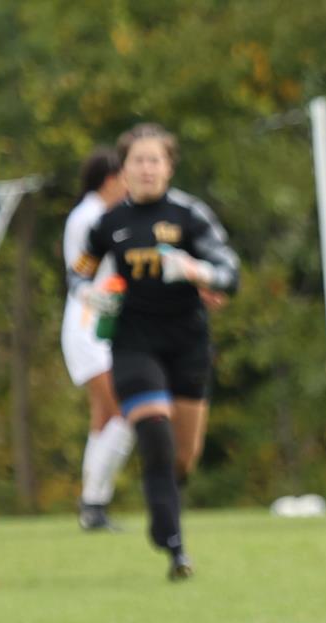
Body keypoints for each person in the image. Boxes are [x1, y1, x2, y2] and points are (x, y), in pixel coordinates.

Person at [71, 123, 239, 579]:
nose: (146, 169)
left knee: (183, 456)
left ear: (169, 166)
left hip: (187, 343)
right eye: (137, 161)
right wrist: (91, 294)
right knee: (154, 435)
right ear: (122, 170)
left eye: (154, 160)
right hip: (132, 343)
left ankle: (167, 508)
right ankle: (174, 545)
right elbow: (80, 272)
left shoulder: (189, 215)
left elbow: (229, 272)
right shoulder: (107, 224)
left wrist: (199, 272)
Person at [62, 147, 134, 531]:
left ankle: (93, 503)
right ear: (111, 179)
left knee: (104, 416)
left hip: (98, 320)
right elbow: (82, 276)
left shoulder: (94, 214)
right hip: (90, 321)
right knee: (125, 409)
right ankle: (93, 503)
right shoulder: (91, 218)